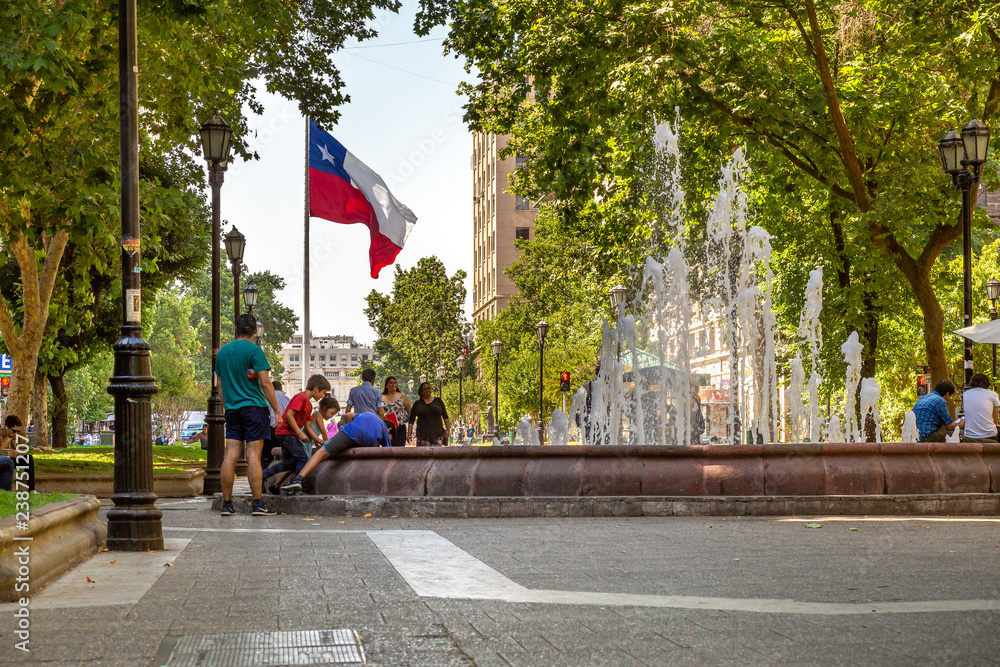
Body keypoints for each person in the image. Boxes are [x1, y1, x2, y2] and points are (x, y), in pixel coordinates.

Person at [216, 313, 283, 516]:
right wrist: (277, 412)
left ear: (236, 329)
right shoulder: (255, 350)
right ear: (254, 331)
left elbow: (219, 386)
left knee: (230, 455)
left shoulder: (222, 352)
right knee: (253, 454)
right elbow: (265, 383)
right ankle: (257, 504)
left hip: (233, 409)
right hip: (254, 407)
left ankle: (226, 505)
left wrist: (227, 406)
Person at [281, 412, 393, 492]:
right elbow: (388, 452)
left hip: (349, 433)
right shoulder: (385, 429)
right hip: (368, 442)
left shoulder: (367, 414)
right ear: (390, 430)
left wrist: (347, 427)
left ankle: (298, 479)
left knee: (321, 453)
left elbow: (348, 415)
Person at [260, 374, 331, 495]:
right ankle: (299, 487)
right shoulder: (300, 398)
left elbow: (308, 427)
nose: (323, 396)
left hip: (288, 433)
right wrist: (299, 433)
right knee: (303, 458)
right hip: (286, 433)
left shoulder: (308, 404)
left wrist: (320, 441)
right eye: (323, 392)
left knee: (289, 463)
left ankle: (262, 475)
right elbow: (289, 415)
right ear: (315, 389)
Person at [407, 381, 451, 447]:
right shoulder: (417, 404)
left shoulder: (438, 401)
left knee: (437, 455)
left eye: (429, 388)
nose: (428, 390)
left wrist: (448, 429)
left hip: (437, 434)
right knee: (424, 456)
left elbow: (445, 416)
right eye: (425, 389)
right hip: (422, 436)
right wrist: (409, 434)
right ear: (421, 392)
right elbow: (411, 420)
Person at [961, 373, 999, 443]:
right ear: (987, 383)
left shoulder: (965, 394)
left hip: (969, 436)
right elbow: (995, 421)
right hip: (989, 435)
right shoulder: (993, 395)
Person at [382, 376, 411, 447]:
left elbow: (410, 412)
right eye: (391, 383)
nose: (393, 384)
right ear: (386, 385)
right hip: (388, 428)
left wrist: (408, 425)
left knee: (399, 450)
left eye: (395, 383)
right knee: (387, 450)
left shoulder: (402, 396)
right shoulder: (381, 397)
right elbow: (380, 413)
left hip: (400, 428)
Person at [0, 415, 23, 491]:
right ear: (6, 427)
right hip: (4, 459)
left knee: (28, 459)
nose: (15, 433)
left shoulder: (10, 437)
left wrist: (18, 453)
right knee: (8, 462)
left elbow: (15, 449)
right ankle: (5, 493)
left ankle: (32, 490)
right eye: (14, 431)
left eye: (17, 431)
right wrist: (8, 454)